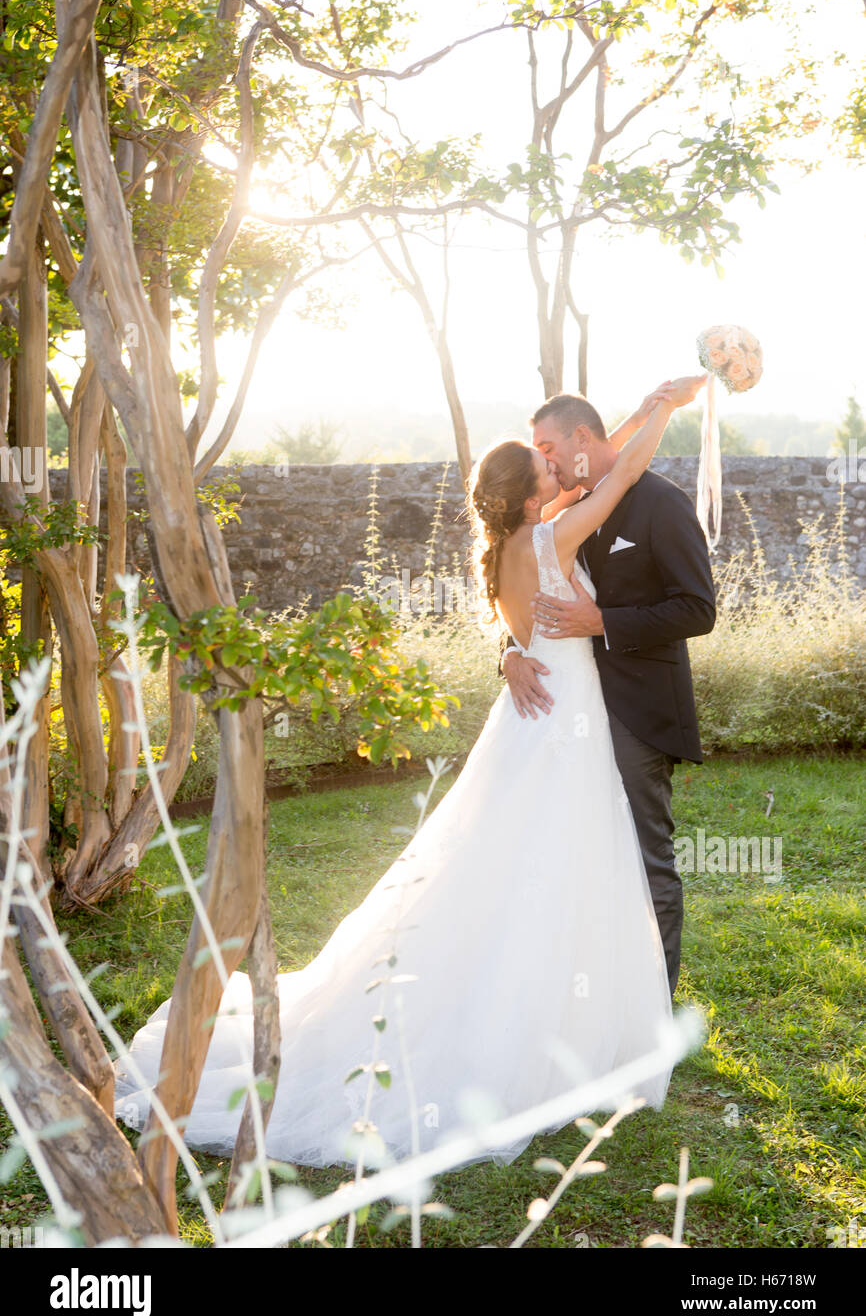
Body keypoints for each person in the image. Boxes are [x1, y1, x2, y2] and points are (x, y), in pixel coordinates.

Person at [114, 374, 705, 1171]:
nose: (552, 468)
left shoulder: (503, 552)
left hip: (541, 727)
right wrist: (665, 408)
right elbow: (624, 470)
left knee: (521, 866)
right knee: (565, 866)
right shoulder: (549, 541)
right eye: (541, 466)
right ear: (533, 495)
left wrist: (643, 407)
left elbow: (603, 461)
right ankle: (564, 1023)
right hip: (563, 729)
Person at [501, 389, 717, 997]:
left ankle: (654, 1002)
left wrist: (604, 624)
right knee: (579, 852)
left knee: (647, 859)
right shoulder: (559, 516)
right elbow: (523, 606)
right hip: (566, 711)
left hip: (637, 713)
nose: (543, 460)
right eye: (536, 454)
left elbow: (698, 609)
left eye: (547, 447)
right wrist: (510, 653)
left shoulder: (660, 504)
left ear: (580, 441)